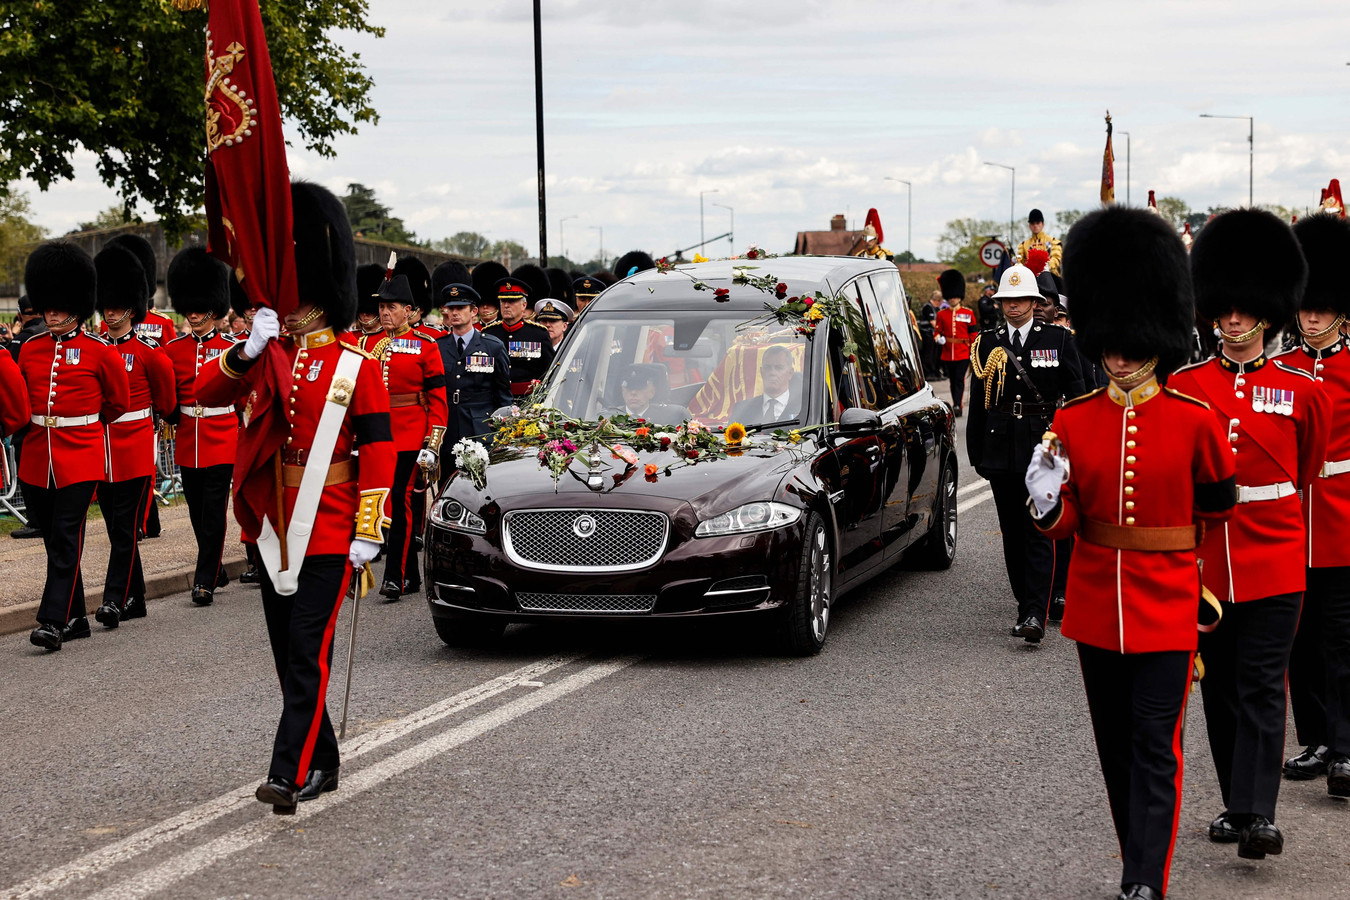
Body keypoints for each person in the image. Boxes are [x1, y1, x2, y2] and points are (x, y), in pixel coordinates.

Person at [1026, 205, 1237, 900]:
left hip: (1169, 607)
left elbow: (1215, 507)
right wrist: (1047, 502)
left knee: (1155, 746)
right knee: (1116, 752)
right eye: (1110, 339)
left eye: (1131, 338)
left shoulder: (1196, 422)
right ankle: (1135, 860)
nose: (1119, 353)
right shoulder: (1073, 419)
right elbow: (1064, 525)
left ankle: (1145, 881)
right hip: (1094, 608)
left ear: (1157, 334)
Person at [195, 181, 395, 813]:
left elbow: (380, 449)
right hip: (276, 526)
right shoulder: (269, 357)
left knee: (307, 651)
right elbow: (205, 395)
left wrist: (370, 525)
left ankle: (287, 772)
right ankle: (324, 760)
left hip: (332, 526)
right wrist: (247, 347)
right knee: (290, 657)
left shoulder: (355, 364)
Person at [1168, 208, 1330, 861]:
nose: (1232, 319)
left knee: (1264, 685)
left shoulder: (1301, 390)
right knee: (1223, 688)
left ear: (1269, 309)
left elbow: (1309, 468)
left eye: (1245, 308)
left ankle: (1258, 813)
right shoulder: (1185, 386)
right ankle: (1238, 805)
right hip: (1207, 562)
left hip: (1277, 560)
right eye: (1222, 308)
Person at [19, 241, 130, 650]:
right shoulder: (30, 350)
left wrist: (84, 426)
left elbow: (118, 403)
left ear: (77, 307)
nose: (51, 312)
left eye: (59, 306)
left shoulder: (100, 352)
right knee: (53, 540)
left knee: (67, 536)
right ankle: (77, 617)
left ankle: (52, 621)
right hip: (37, 457)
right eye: (48, 305)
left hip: (81, 456)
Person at [968, 262, 1086, 643]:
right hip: (1000, 444)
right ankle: (1026, 602)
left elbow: (1079, 397)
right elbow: (978, 405)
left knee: (1039, 528)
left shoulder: (1058, 338)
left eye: (1021, 299)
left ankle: (1034, 612)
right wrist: (975, 452)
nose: (1013, 306)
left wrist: (1075, 444)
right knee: (1012, 532)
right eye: (1007, 299)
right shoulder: (986, 342)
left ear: (1035, 302)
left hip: (1044, 443)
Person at [1275, 212, 1350, 794]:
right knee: (1300, 638)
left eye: (1322, 306)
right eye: (1306, 306)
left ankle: (1347, 746)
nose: (1313, 316)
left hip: (1345, 515)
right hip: (1294, 517)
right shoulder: (1285, 371)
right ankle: (1317, 739)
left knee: (1342, 636)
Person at [92, 243, 177, 628]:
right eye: (106, 306)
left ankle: (113, 599)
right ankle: (137, 597)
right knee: (115, 528)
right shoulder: (95, 350)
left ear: (131, 307)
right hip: (102, 449)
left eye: (116, 306)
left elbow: (166, 399)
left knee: (126, 528)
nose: (110, 313)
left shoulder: (149, 353)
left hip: (136, 446)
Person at [164, 247, 239, 607]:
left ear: (214, 309)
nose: (193, 314)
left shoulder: (231, 348)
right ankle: (216, 567)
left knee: (213, 511)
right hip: (187, 438)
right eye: (189, 308)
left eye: (201, 308)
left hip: (222, 435)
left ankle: (204, 579)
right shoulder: (174, 350)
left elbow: (242, 399)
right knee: (196, 511)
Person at [373, 273, 448, 600]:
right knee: (387, 503)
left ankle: (393, 575)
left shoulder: (425, 346)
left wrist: (432, 443)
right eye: (381, 307)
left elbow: (438, 399)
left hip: (411, 434)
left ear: (409, 311)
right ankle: (411, 576)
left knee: (401, 501)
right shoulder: (374, 346)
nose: (384, 313)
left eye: (391, 307)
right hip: (380, 434)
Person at [436, 283, 511, 451]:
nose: (454, 313)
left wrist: (502, 434)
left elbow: (503, 396)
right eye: (451, 308)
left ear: (474, 311)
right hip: (448, 426)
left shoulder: (493, 347)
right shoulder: (438, 347)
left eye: (461, 308)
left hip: (480, 428)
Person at [483, 277, 555, 399]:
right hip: (495, 399)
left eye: (511, 301)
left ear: (524, 305)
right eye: (503, 301)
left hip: (528, 400)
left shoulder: (538, 334)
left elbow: (550, 370)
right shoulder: (488, 333)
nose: (506, 306)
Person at [934, 269, 974, 416]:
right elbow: (937, 332)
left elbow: (973, 333)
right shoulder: (941, 314)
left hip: (963, 352)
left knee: (959, 379)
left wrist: (972, 351)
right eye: (950, 297)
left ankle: (958, 404)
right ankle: (955, 401)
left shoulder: (968, 313)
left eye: (955, 296)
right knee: (952, 380)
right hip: (947, 353)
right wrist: (939, 338)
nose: (952, 299)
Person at [729, 346, 799, 425]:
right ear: (761, 372)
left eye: (779, 368)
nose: (772, 372)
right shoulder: (742, 409)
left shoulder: (802, 408)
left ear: (790, 373)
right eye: (767, 367)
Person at [610, 363, 690, 425]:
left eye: (639, 388)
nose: (633, 392)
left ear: (652, 391)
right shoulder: (608, 418)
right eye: (629, 388)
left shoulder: (675, 416)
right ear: (622, 391)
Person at [1016, 208, 1063, 275]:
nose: (1035, 226)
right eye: (1032, 223)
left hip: (1050, 277)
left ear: (1043, 224)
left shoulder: (1053, 242)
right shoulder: (1024, 245)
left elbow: (1056, 258)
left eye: (1038, 223)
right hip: (1030, 277)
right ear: (1029, 226)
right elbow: (1020, 262)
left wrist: (1045, 267)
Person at [470, 261, 508, 329]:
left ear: (498, 305)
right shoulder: (471, 330)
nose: (485, 306)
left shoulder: (505, 329)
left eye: (490, 304)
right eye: (481, 304)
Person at [917, 292, 939, 379]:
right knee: (928, 354)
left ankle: (933, 372)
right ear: (936, 300)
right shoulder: (928, 307)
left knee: (934, 354)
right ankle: (927, 373)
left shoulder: (935, 308)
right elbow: (933, 322)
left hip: (933, 334)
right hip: (926, 333)